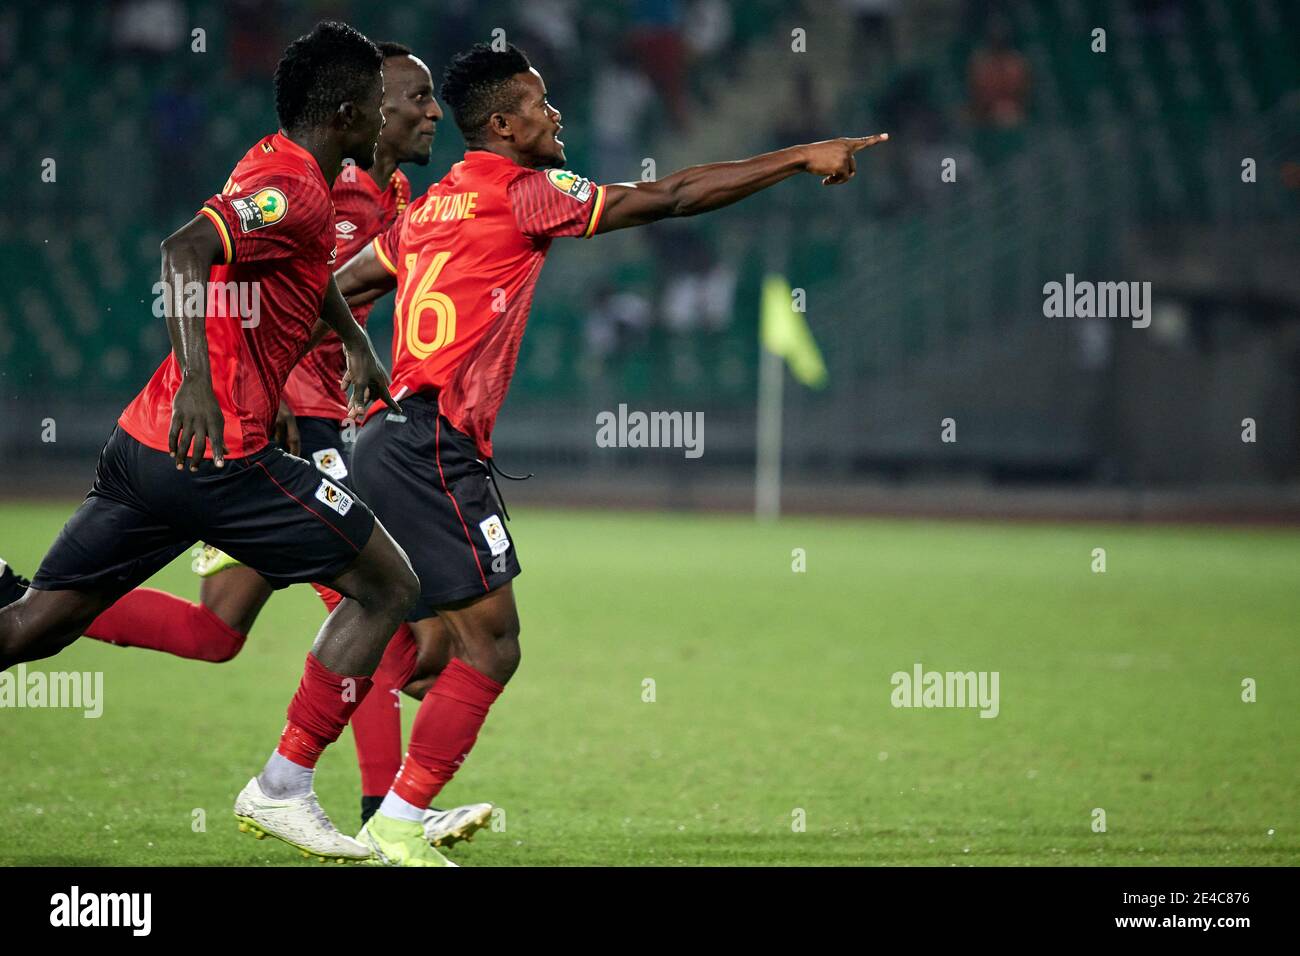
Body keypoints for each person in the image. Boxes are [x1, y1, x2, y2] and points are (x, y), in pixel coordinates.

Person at [330, 41, 887, 865]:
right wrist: (801, 156)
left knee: (431, 647)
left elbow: (339, 288)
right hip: (433, 448)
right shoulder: (526, 192)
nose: (557, 116)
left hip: (384, 442)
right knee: (495, 647)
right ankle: (395, 820)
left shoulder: (431, 207)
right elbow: (671, 195)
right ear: (502, 125)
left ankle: (333, 786)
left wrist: (343, 355)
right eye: (541, 104)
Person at [0, 21, 414, 863]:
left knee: (31, 629)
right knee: (388, 586)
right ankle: (283, 787)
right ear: (344, 111)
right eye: (377, 103)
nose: (386, 119)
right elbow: (182, 250)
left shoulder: (295, 172)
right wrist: (196, 376)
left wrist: (360, 346)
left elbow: (305, 275)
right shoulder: (294, 188)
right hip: (220, 454)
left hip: (143, 451)